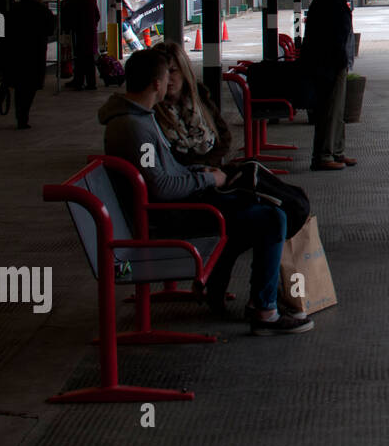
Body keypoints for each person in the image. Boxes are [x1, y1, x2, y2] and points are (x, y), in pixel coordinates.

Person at [99, 49, 313, 335]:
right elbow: (160, 187)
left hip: (178, 206)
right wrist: (207, 180)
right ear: (156, 84)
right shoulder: (135, 129)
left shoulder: (138, 120)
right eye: (166, 76)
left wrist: (200, 174)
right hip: (170, 217)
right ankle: (265, 310)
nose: (168, 83)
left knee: (266, 203)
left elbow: (165, 173)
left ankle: (257, 299)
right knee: (271, 217)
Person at [301, 0, 355, 171]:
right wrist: (342, 62)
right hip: (329, 66)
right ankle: (323, 155)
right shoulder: (334, 2)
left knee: (337, 111)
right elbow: (338, 38)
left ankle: (337, 152)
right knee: (330, 111)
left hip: (326, 64)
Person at [150, 40, 232, 167]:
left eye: (172, 71)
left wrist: (207, 167)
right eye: (162, 73)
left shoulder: (200, 97)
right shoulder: (150, 112)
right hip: (181, 179)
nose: (167, 79)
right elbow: (150, 165)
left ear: (184, 71)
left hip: (209, 173)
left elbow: (223, 137)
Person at [0, 0, 56, 129]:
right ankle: (23, 115)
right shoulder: (43, 11)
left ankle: (20, 115)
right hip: (35, 54)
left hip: (15, 55)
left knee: (19, 86)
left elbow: (1, 34)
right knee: (30, 87)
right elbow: (50, 30)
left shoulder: (12, 10)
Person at [59, 0, 100, 91]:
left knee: (79, 58)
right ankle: (90, 82)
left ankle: (79, 81)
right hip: (90, 32)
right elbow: (97, 15)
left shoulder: (72, 0)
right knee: (89, 57)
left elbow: (68, 18)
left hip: (77, 32)